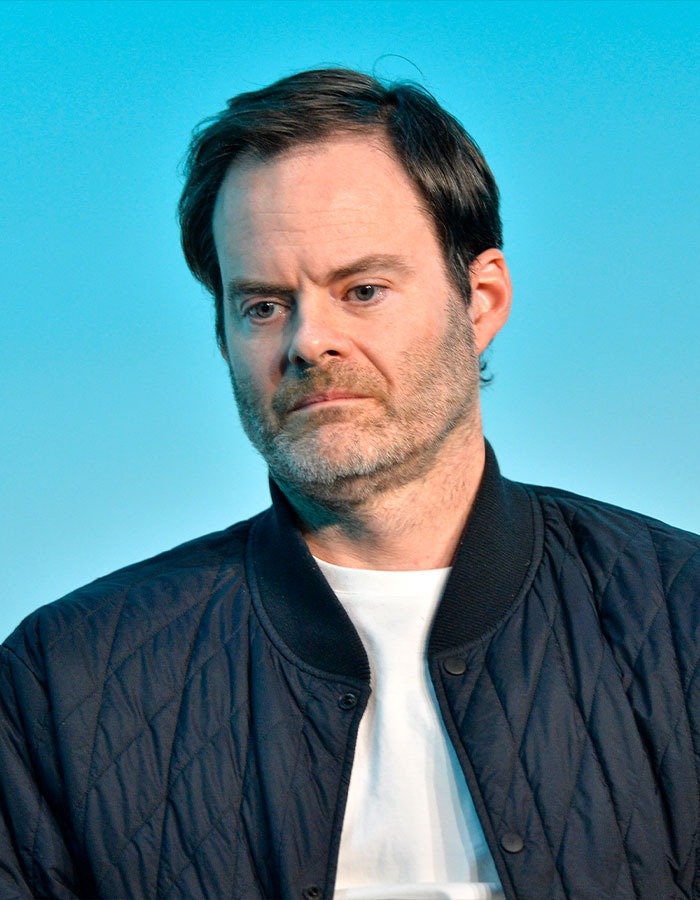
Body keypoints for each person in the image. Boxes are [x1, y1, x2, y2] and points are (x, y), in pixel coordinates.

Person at [1, 68, 698, 900]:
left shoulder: (680, 617)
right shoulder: (64, 681)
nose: (308, 340)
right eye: (262, 305)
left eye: (362, 289)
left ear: (481, 299)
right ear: (222, 336)